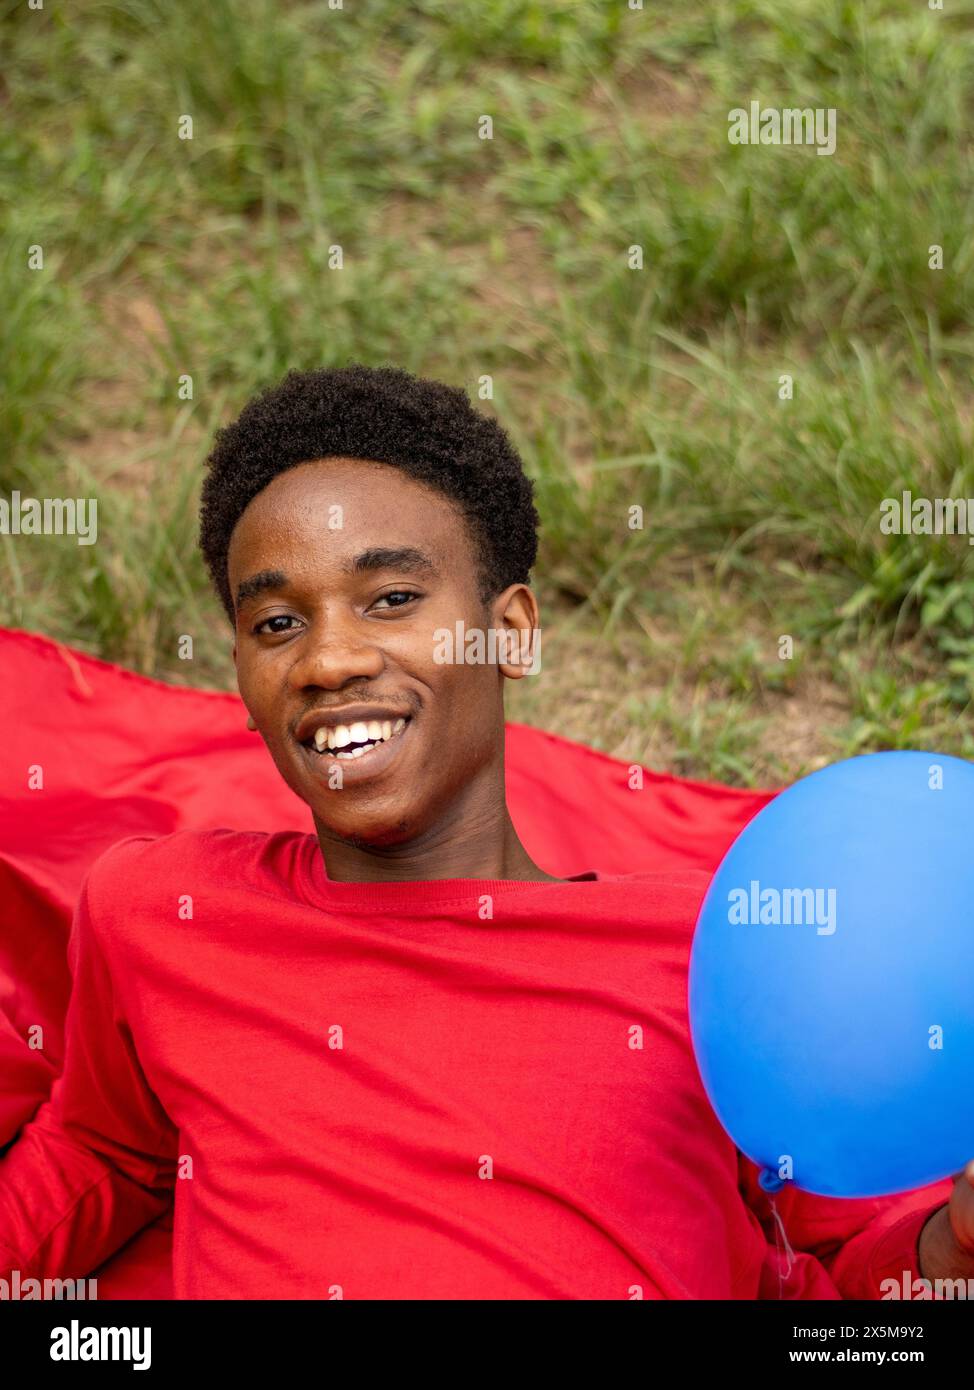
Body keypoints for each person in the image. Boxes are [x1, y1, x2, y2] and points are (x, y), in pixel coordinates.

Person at [1, 365, 971, 1299]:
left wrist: (952, 1243)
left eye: (390, 599)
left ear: (509, 632)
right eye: (276, 624)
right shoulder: (162, 915)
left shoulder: (713, 953)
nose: (330, 658)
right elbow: (100, 1152)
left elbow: (852, 1270)